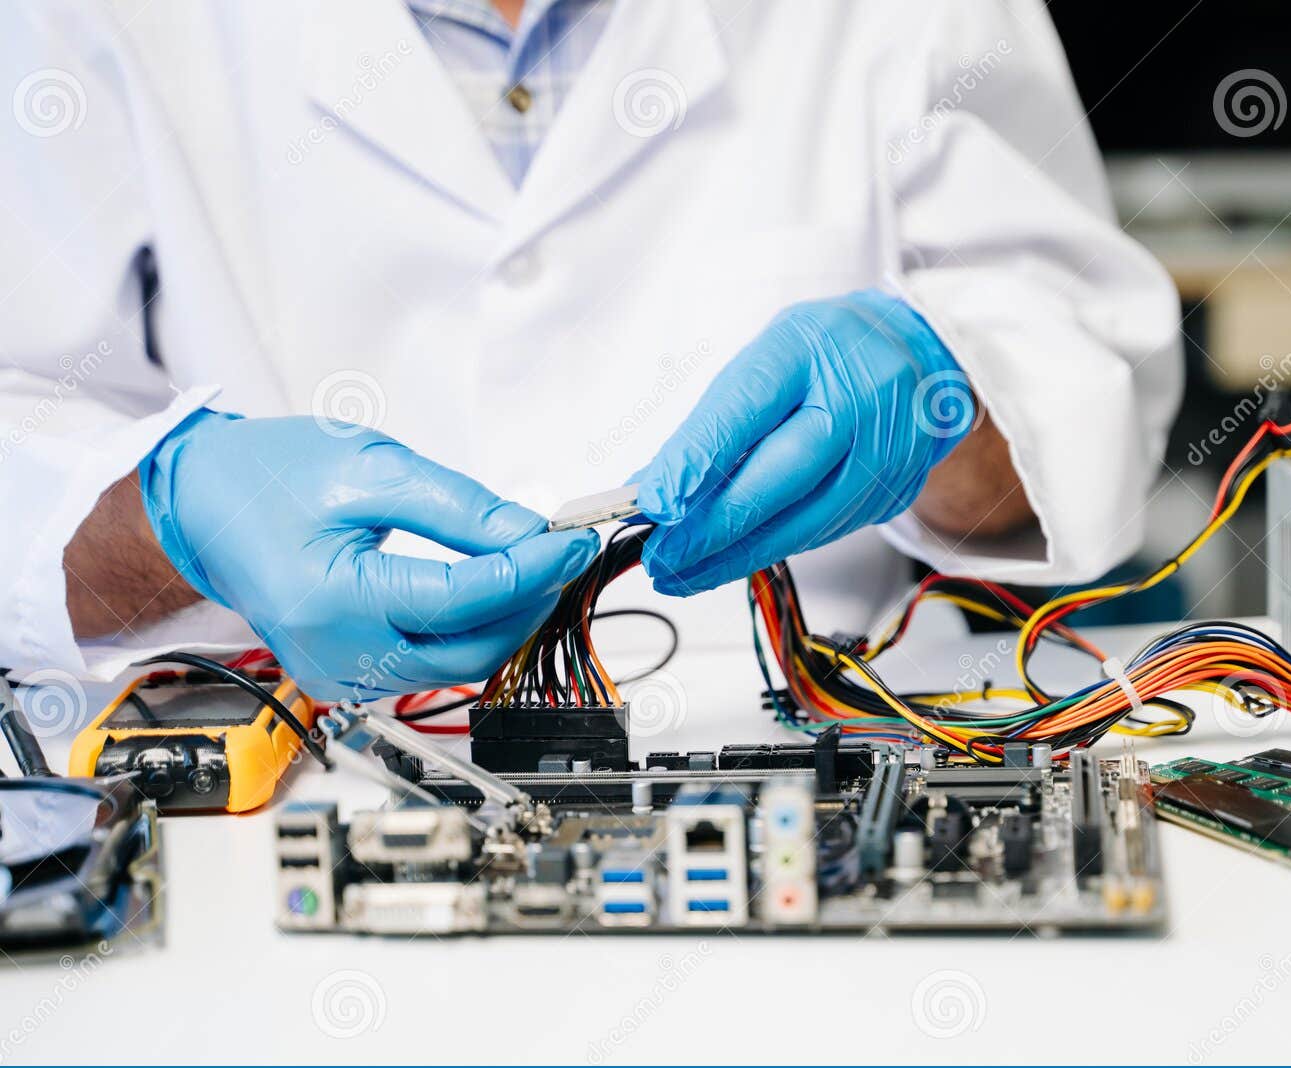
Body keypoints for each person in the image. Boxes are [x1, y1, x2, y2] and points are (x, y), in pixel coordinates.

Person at [0, 0, 1181, 701]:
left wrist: (938, 399)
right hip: (290, 781)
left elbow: (1082, 399)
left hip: (806, 759)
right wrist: (173, 516)